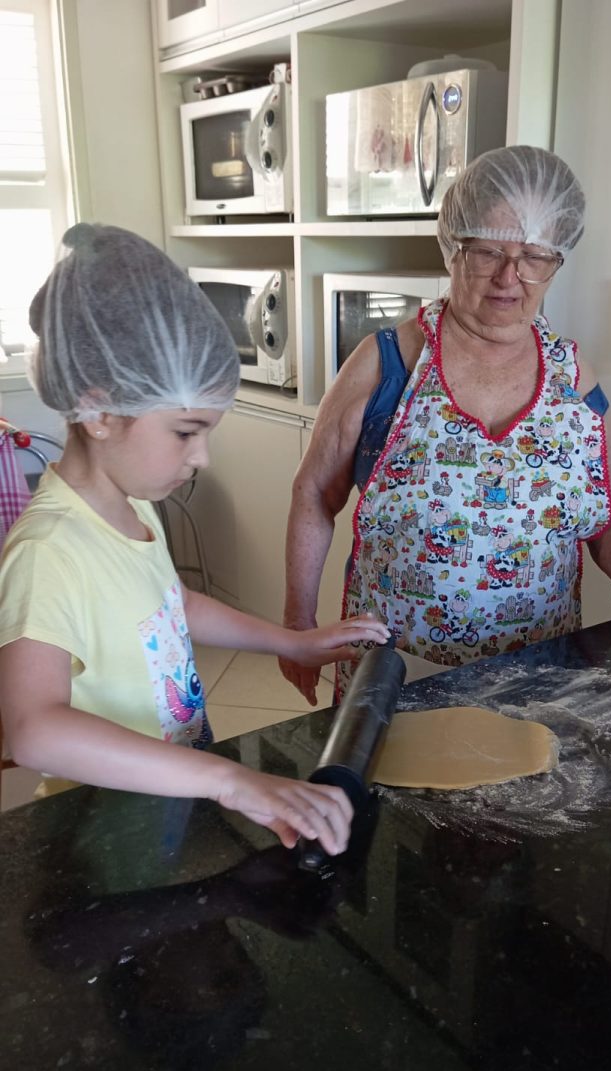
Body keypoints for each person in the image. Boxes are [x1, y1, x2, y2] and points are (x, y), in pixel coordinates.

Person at [0, 222, 390, 857]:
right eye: (186, 432)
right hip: (101, 833)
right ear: (98, 412)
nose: (202, 456)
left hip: (166, 800)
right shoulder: (49, 551)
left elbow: (168, 607)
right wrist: (231, 781)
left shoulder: (130, 507)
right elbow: (33, 730)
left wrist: (291, 641)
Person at [280, 145, 611, 703]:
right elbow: (315, 492)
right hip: (399, 675)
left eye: (536, 255)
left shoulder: (571, 374)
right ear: (454, 248)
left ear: (557, 259)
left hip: (538, 678)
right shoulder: (385, 364)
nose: (511, 276)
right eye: (489, 251)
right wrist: (297, 624)